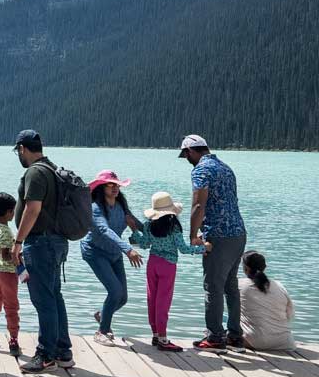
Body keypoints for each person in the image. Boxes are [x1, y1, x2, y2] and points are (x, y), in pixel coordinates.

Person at [12, 129, 72, 374]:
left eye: (18, 151)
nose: (19, 155)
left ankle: (45, 354)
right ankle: (62, 350)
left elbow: (32, 209)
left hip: (40, 243)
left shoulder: (35, 172)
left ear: (23, 149)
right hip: (57, 242)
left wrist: (18, 241)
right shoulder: (53, 169)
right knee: (54, 296)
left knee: (43, 299)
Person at [181, 135, 248, 350]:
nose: (186, 159)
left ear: (191, 152)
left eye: (185, 155)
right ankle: (235, 335)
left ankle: (215, 337)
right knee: (231, 285)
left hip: (218, 235)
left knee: (213, 286)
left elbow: (199, 205)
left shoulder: (201, 170)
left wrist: (193, 235)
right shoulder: (226, 167)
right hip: (238, 232)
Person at [129, 192, 208, 351]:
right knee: (163, 302)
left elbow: (144, 245)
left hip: (152, 264)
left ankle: (156, 335)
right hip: (168, 265)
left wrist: (134, 232)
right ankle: (164, 340)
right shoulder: (174, 228)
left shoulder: (148, 225)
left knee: (152, 298)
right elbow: (184, 249)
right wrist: (203, 249)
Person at [80, 170, 143, 346]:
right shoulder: (95, 208)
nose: (115, 187)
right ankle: (102, 331)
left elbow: (137, 224)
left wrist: (160, 234)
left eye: (117, 185)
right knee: (115, 291)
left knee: (122, 298)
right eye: (110, 184)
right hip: (95, 252)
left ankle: (102, 316)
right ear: (101, 187)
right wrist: (128, 249)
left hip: (114, 253)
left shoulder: (122, 206)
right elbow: (104, 230)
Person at [238, 251, 294, 351]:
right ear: (265, 267)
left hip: (254, 341)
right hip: (285, 341)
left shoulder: (239, 285)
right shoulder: (279, 286)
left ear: (245, 268)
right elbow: (290, 315)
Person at [0, 192, 21, 356]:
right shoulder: (7, 231)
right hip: (7, 274)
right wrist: (18, 258)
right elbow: (7, 255)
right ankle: (13, 339)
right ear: (9, 213)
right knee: (11, 307)